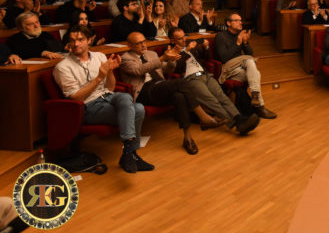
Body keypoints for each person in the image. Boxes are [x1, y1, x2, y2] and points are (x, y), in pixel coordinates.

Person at [54, 25, 152, 173]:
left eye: (80, 40)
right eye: (72, 40)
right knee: (138, 109)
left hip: (109, 97)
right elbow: (77, 99)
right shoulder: (63, 67)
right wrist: (100, 76)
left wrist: (110, 71)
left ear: (89, 40)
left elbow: (110, 88)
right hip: (89, 107)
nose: (76, 44)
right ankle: (131, 154)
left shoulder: (99, 56)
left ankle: (128, 153)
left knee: (128, 99)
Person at [120, 32, 218, 155]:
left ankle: (188, 138)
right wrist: (162, 58)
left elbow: (167, 69)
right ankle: (202, 116)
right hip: (144, 91)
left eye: (144, 41)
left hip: (160, 86)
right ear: (129, 45)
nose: (143, 45)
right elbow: (139, 70)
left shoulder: (151, 53)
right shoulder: (126, 58)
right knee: (181, 83)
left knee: (179, 96)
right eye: (138, 43)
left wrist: (172, 60)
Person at [168, 28, 260, 135]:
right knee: (211, 100)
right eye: (180, 39)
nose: (184, 40)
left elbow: (207, 58)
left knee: (221, 96)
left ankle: (239, 118)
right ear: (173, 40)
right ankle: (236, 123)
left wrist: (206, 47)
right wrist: (186, 51)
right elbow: (174, 68)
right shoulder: (170, 52)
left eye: (184, 36)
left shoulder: (190, 45)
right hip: (191, 79)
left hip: (205, 75)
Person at [214, 14, 276, 119]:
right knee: (250, 62)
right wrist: (238, 44)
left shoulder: (240, 35)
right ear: (229, 23)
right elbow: (224, 57)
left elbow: (250, 53)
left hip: (240, 69)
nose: (240, 22)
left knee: (253, 71)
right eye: (237, 20)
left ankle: (256, 99)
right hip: (228, 68)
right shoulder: (221, 36)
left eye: (241, 20)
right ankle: (260, 107)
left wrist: (246, 43)